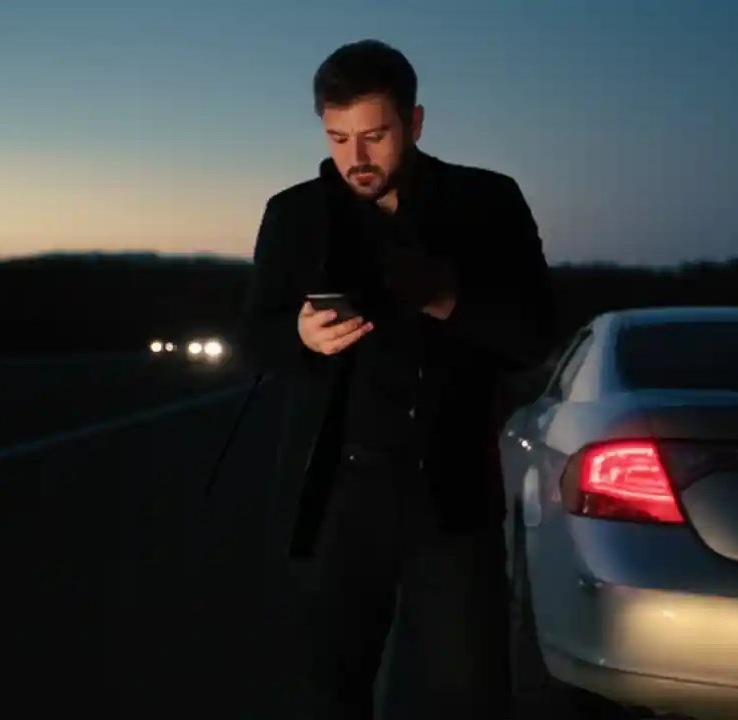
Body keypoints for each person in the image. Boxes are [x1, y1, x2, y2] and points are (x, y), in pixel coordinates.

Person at [237, 39, 558, 719]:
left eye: (375, 136)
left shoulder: (487, 201)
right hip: (337, 500)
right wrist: (300, 336)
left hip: (452, 498)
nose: (355, 157)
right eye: (338, 138)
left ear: (414, 122)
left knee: (468, 693)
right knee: (328, 691)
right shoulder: (294, 214)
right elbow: (254, 337)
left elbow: (537, 335)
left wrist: (449, 300)